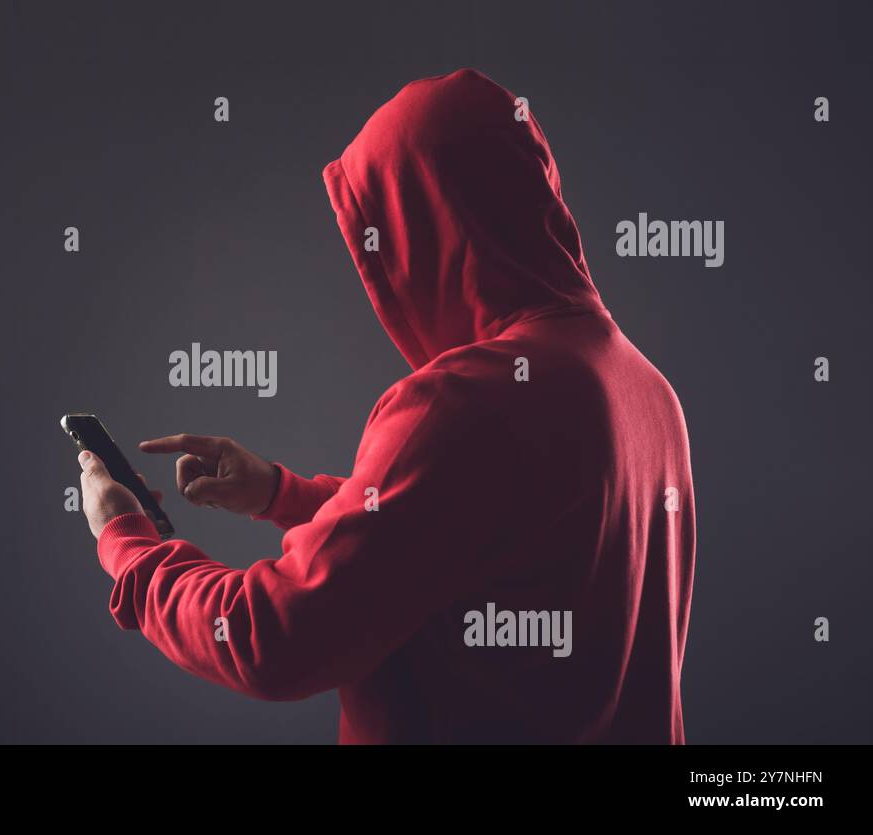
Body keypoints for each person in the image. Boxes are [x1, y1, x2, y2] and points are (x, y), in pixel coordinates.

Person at [76, 69, 695, 744]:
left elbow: (271, 636)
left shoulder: (464, 402)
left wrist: (130, 549)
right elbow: (469, 541)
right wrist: (282, 494)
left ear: (425, 226)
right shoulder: (647, 390)